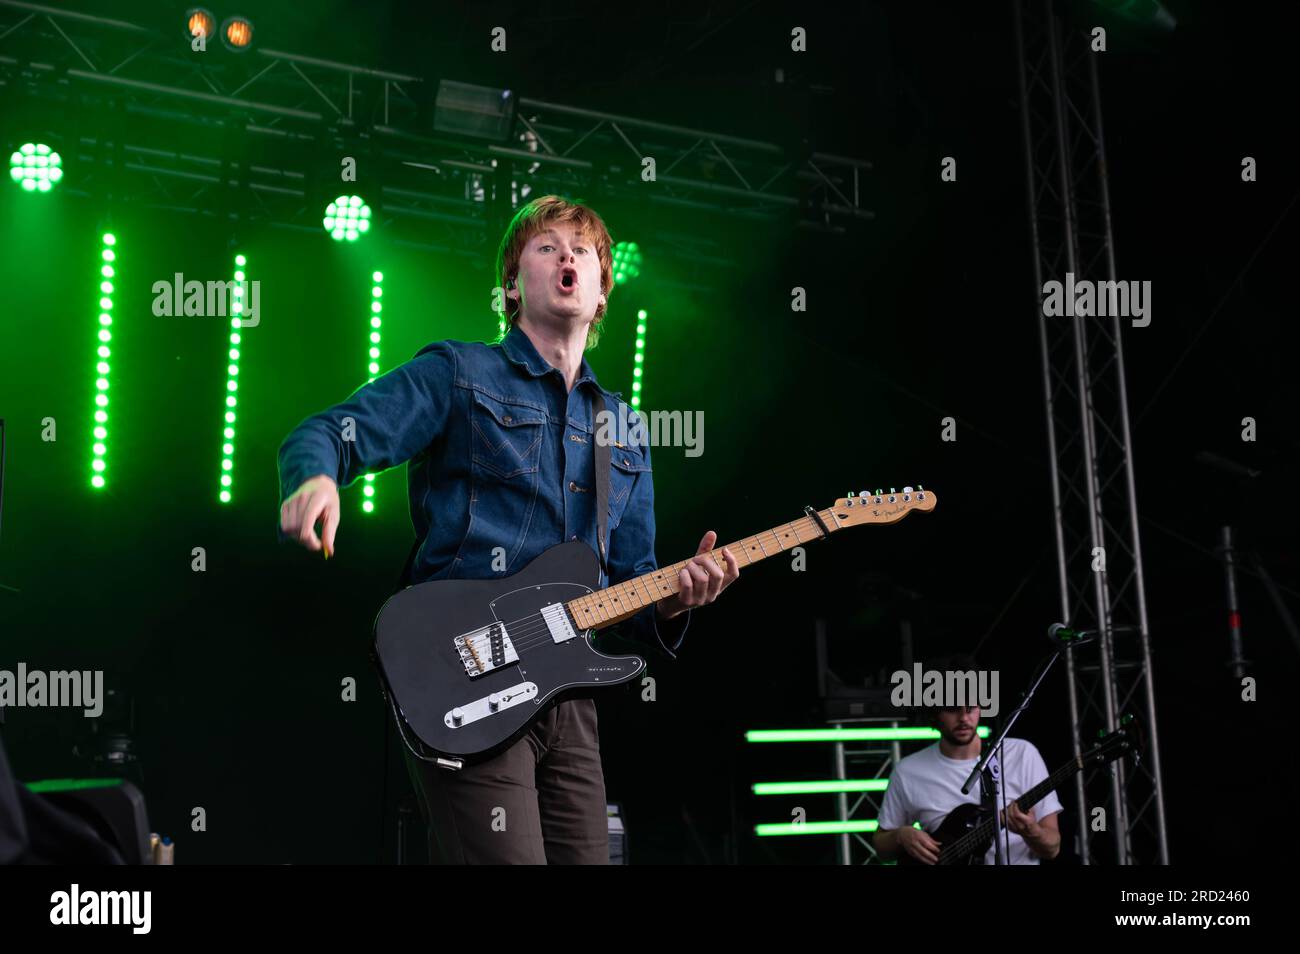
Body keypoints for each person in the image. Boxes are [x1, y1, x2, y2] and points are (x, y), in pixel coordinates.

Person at [276, 194, 739, 864]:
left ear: (604, 291)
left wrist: (674, 598)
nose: (567, 258)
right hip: (465, 667)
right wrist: (316, 477)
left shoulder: (625, 428)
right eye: (548, 247)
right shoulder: (461, 374)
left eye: (582, 250)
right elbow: (327, 431)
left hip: (570, 694)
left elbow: (631, 580)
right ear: (511, 286)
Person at [873, 672, 1062, 864]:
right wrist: (901, 835)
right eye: (953, 709)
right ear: (934, 712)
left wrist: (1032, 831)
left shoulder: (1021, 754)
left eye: (971, 707)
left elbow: (1053, 848)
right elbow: (881, 849)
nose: (964, 717)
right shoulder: (908, 771)